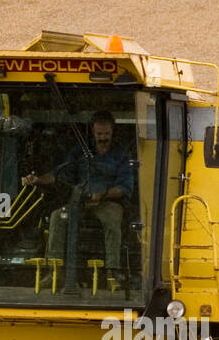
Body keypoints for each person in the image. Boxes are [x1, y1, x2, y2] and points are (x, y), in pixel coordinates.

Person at [21, 110, 134, 291]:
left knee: (113, 222)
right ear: (93, 132)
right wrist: (38, 179)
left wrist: (102, 195)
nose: (103, 138)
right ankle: (55, 272)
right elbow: (60, 173)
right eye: (99, 134)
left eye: (106, 134)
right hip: (79, 203)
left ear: (113, 132)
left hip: (108, 203)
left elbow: (125, 187)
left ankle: (112, 271)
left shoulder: (121, 155)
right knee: (58, 217)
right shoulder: (80, 152)